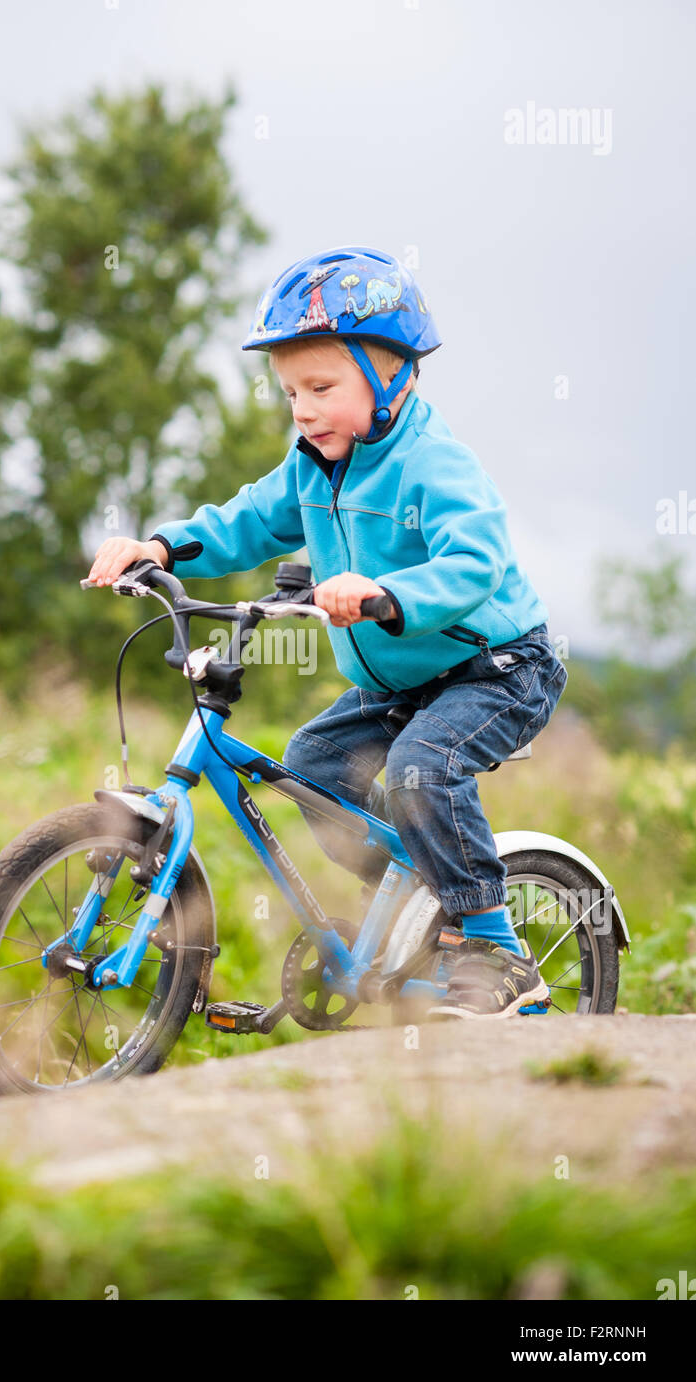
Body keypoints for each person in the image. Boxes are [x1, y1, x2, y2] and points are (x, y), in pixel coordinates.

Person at [87, 245, 568, 1019]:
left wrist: (385, 593)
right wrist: (162, 547)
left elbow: (474, 563)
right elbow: (248, 519)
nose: (302, 409)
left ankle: (496, 948)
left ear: (392, 380)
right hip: (397, 680)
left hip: (496, 665)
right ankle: (423, 891)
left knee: (421, 765)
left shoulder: (434, 463)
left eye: (320, 387)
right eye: (288, 392)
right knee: (314, 762)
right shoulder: (313, 463)